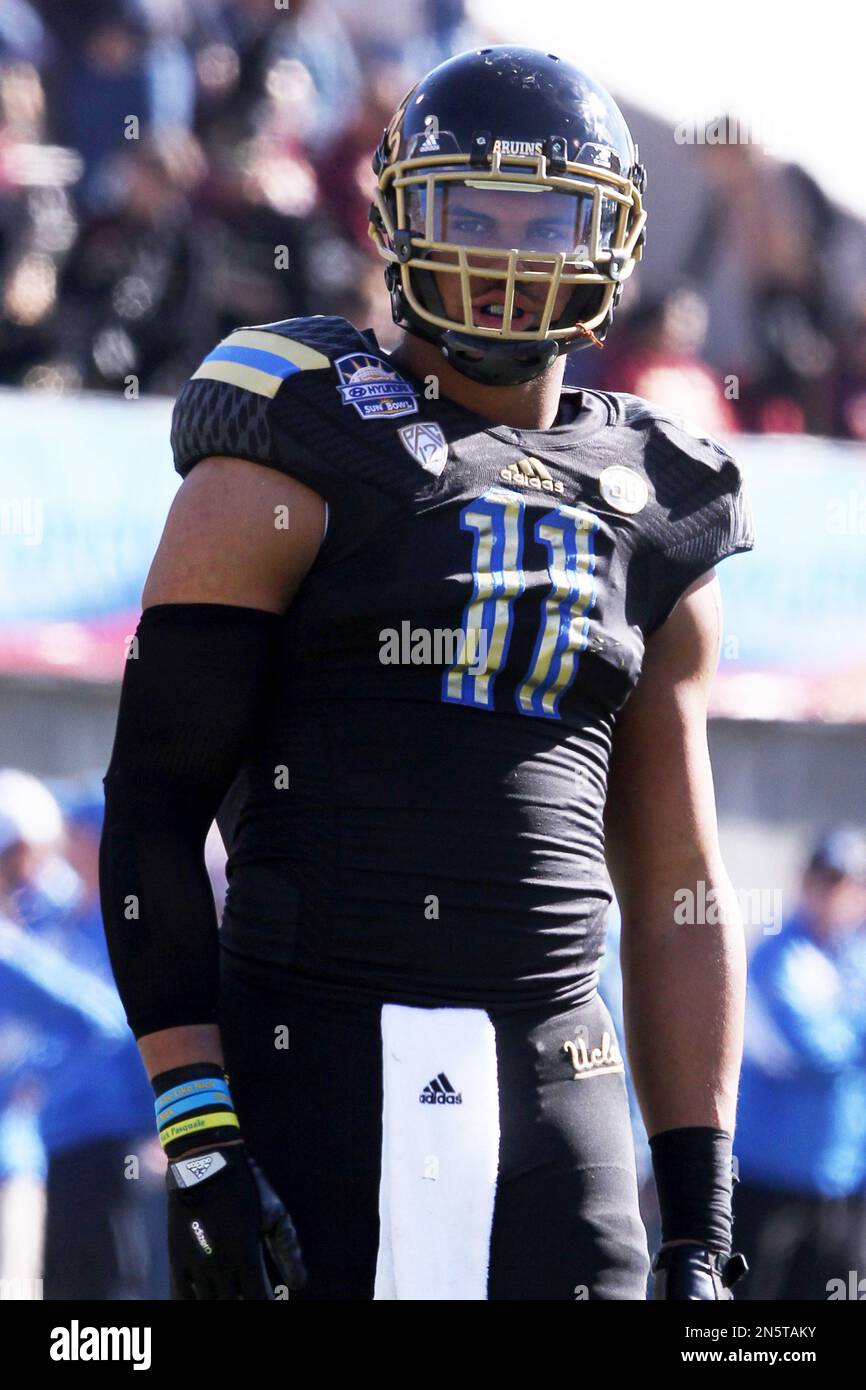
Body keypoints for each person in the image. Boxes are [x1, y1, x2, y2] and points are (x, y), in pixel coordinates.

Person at [100, 46, 755, 1301]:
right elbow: (151, 815)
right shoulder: (288, 438)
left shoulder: (654, 499)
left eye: (545, 220)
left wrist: (701, 1223)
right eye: (473, 215)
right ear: (401, 216)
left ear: (609, 239)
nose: (507, 259)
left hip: (556, 1083)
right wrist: (198, 1136)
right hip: (312, 1064)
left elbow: (679, 879)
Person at [734, 828, 866, 1300]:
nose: (837, 896)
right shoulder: (778, 954)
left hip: (843, 1181)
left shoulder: (856, 956)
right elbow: (805, 1049)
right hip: (769, 1179)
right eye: (826, 881)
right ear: (805, 883)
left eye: (849, 883)